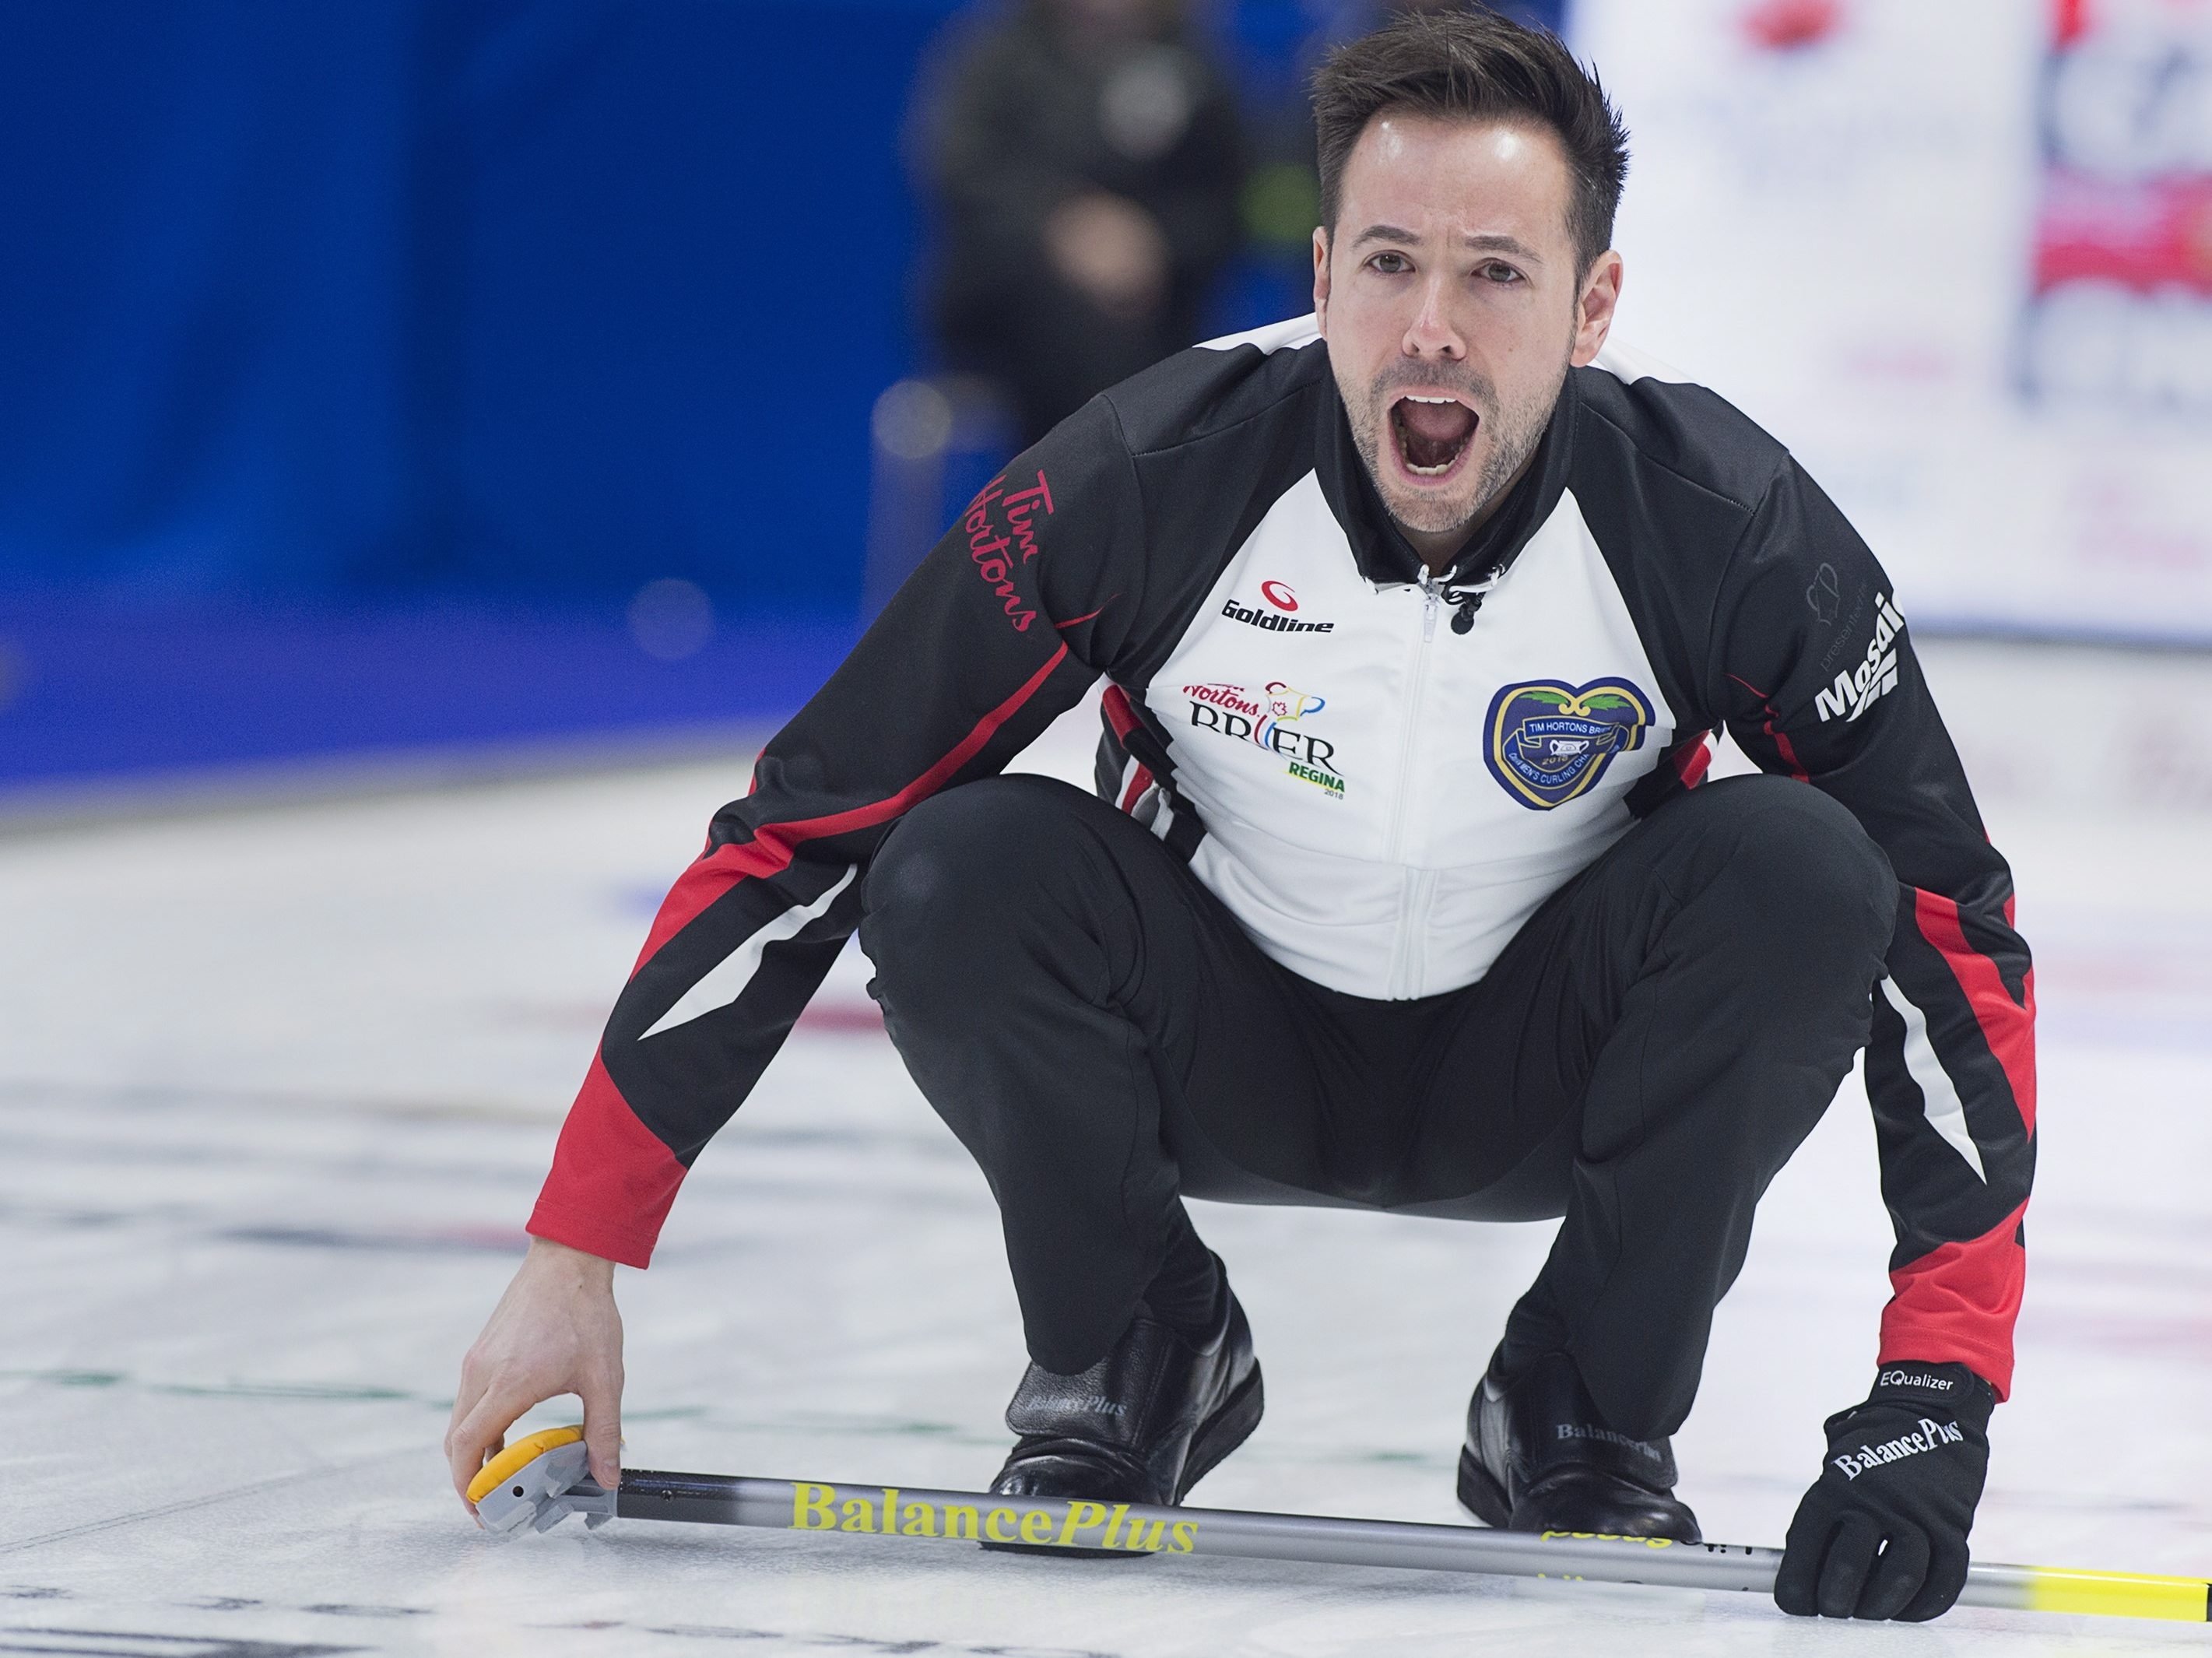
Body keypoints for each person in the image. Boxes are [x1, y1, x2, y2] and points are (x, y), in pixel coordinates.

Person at [450, 7, 2035, 1625]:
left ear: (1591, 308)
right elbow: (803, 832)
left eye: (1495, 274)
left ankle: (1584, 1403)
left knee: (1806, 870)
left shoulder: (1726, 523)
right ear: (1322, 273)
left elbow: (1949, 923)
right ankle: (1137, 1344)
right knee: (951, 869)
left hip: (1551, 1079)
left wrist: (1934, 1392)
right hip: (1220, 1052)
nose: (1431, 329)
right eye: (1389, 264)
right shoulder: (1147, 476)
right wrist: (575, 1255)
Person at [920, 0, 1247, 445]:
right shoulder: (1001, 53)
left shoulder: (1195, 64)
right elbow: (960, 172)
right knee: (1078, 335)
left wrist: (1151, 244)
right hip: (1008, 294)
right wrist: (1062, 225)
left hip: (1153, 307)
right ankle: (1068, 476)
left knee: (1139, 349)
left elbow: (1225, 203)